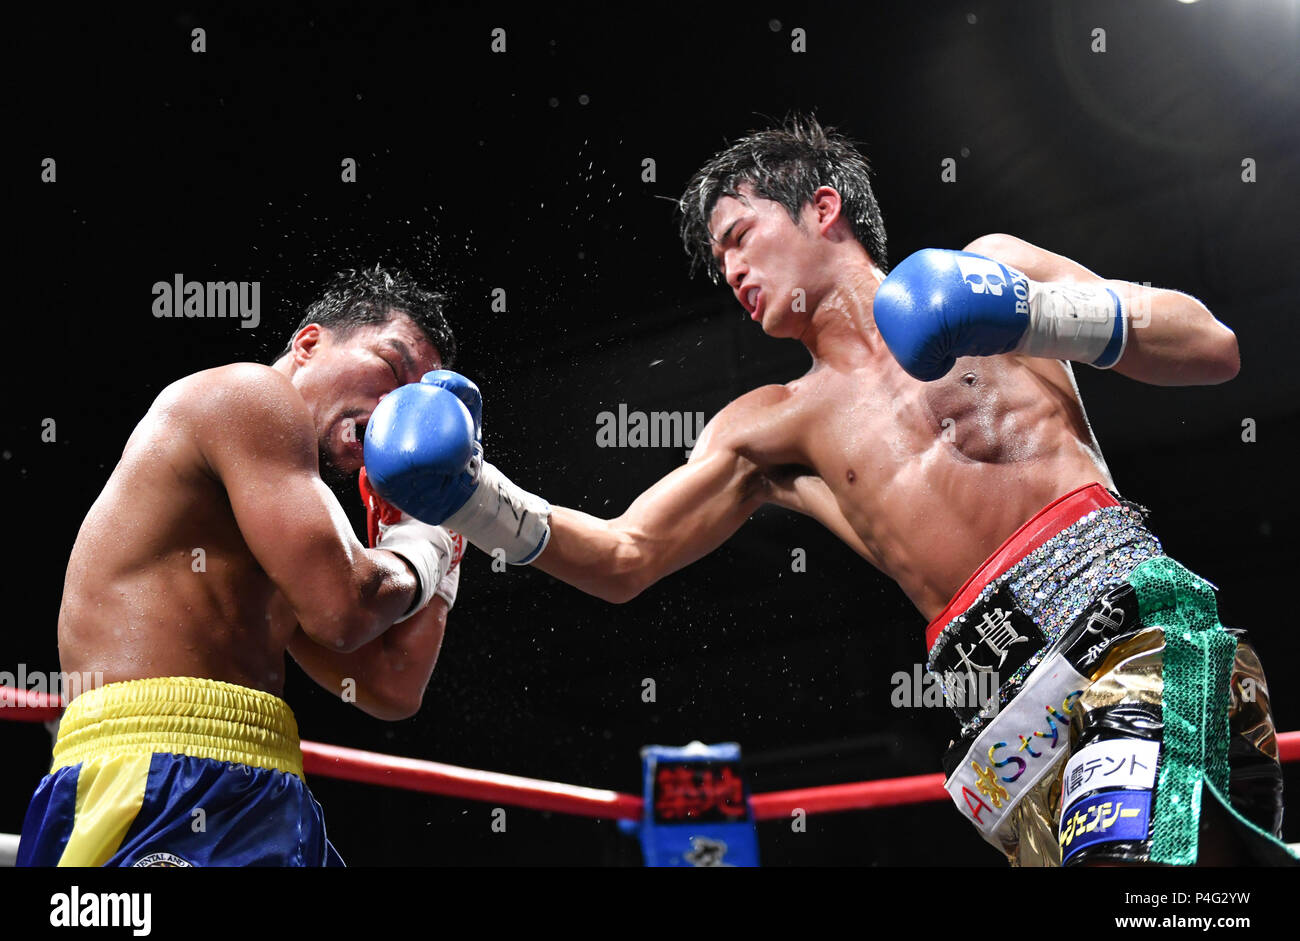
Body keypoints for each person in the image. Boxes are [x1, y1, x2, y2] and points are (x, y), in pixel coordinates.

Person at [364, 116, 1292, 866]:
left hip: (1132, 636)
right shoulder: (767, 427)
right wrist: (472, 498)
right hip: (1017, 722)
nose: (730, 271)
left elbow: (1209, 345)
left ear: (822, 207)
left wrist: (1034, 312)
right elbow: (624, 558)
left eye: (739, 236)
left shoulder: (992, 269)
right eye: (718, 260)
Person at [18, 266, 462, 867]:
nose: (394, 409)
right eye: (390, 368)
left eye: (413, 399)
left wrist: (441, 540)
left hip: (255, 779)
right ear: (308, 344)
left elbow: (389, 684)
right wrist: (421, 547)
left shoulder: (281, 522)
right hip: (160, 767)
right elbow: (345, 610)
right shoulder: (249, 395)